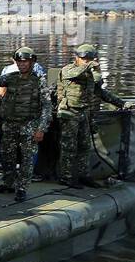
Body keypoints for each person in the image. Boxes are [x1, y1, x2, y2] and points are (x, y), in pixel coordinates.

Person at [56, 43, 130, 188]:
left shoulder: (91, 75)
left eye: (90, 59)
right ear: (76, 58)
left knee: (84, 145)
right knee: (69, 147)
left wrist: (123, 103)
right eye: (84, 59)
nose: (87, 61)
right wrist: (90, 67)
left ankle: (83, 175)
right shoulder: (68, 70)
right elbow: (73, 74)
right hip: (69, 112)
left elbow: (101, 93)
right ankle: (66, 177)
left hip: (84, 112)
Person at [0, 47, 52, 202]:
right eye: (19, 61)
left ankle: (22, 188)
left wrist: (41, 128)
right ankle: (8, 183)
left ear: (32, 62)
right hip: (10, 124)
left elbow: (47, 106)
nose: (22, 64)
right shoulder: (10, 78)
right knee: (6, 154)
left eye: (25, 61)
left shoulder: (40, 81)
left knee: (27, 158)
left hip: (29, 124)